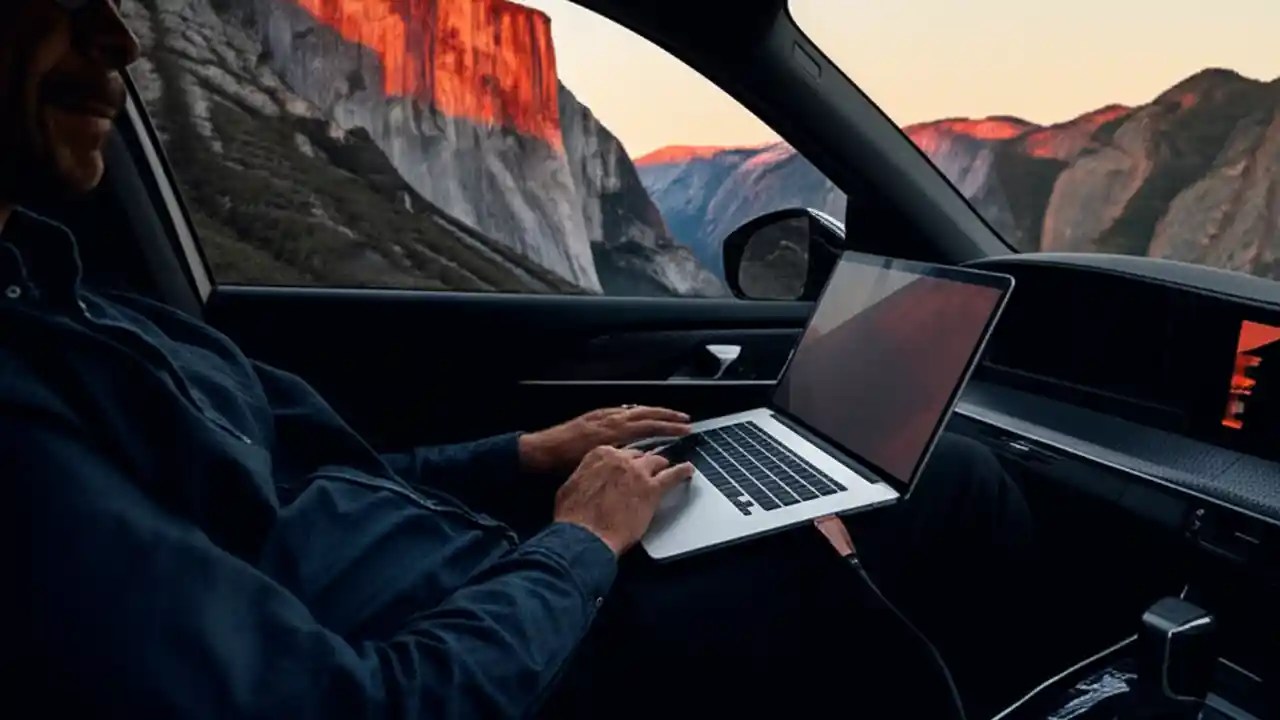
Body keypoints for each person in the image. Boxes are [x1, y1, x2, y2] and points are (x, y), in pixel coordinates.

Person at [5, 1, 1038, 717]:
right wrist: (582, 545)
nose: (120, 40)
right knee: (950, 483)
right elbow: (353, 706)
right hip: (533, 662)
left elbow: (309, 487)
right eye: (64, 1)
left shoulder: (72, 305)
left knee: (863, 487)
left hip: (507, 584)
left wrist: (521, 455)